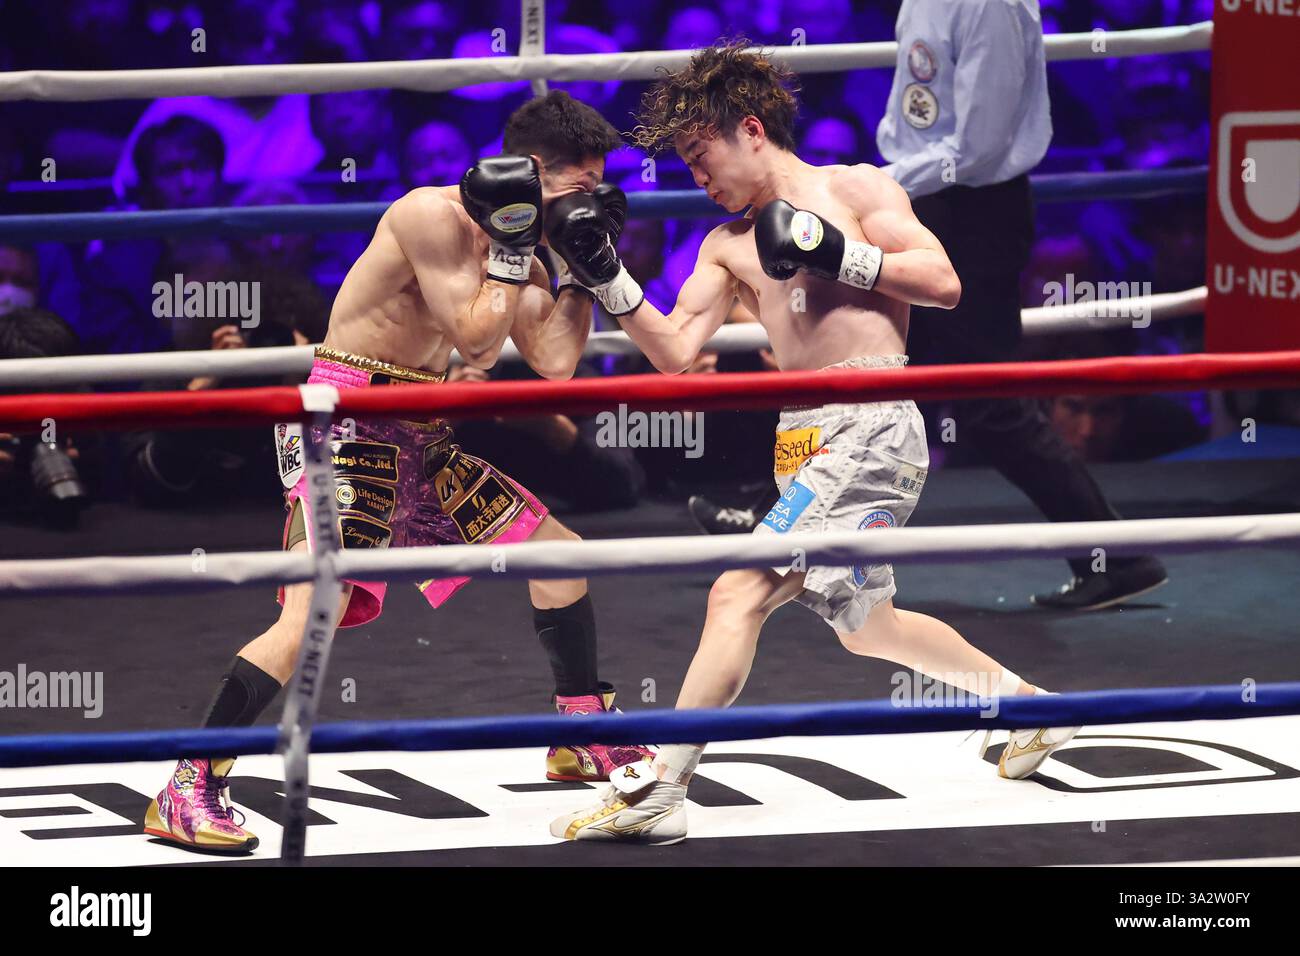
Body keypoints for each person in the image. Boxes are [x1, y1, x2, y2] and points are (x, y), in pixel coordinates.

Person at [546, 43, 1079, 846]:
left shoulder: (857, 188)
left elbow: (944, 284)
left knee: (738, 591)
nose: (698, 178)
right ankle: (1031, 710)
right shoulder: (725, 245)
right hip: (801, 440)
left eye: (702, 156)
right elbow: (674, 350)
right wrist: (607, 275)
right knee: (871, 627)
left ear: (751, 129)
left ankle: (663, 790)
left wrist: (838, 255)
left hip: (870, 421)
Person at [143, 92, 652, 855]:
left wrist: (585, 266)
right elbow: (480, 343)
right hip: (344, 423)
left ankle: (577, 732)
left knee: (558, 550)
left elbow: (553, 359)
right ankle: (187, 785)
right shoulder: (431, 215)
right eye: (579, 189)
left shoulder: (525, 240)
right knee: (313, 608)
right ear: (533, 172)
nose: (589, 201)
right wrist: (518, 248)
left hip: (420, 430)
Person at [876, 0, 1166, 610]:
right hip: (922, 196)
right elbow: (916, 109)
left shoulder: (991, 3)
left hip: (968, 210)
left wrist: (884, 180)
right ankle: (771, 522)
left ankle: (1119, 556)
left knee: (989, 402)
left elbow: (979, 145)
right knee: (864, 363)